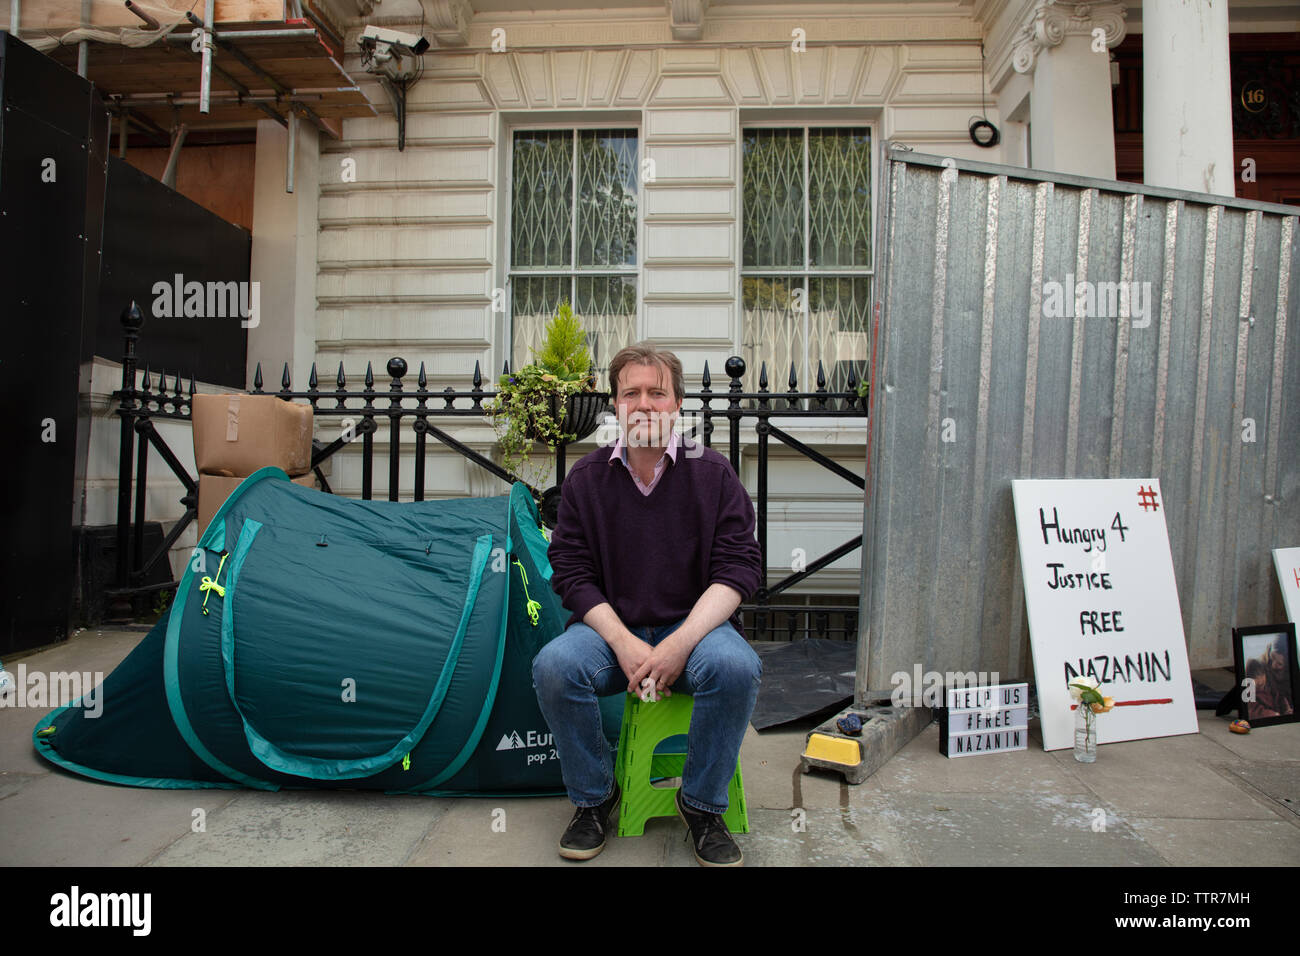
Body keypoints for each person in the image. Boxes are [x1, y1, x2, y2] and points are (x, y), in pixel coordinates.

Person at [532, 343, 763, 866]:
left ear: (677, 404)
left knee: (735, 666)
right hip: (613, 631)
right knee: (555, 666)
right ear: (614, 406)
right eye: (630, 393)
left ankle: (701, 803)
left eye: (656, 393)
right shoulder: (587, 481)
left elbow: (739, 569)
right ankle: (595, 798)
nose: (643, 404)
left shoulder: (714, 476)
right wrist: (624, 643)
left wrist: (680, 644)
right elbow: (570, 571)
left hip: (694, 629)